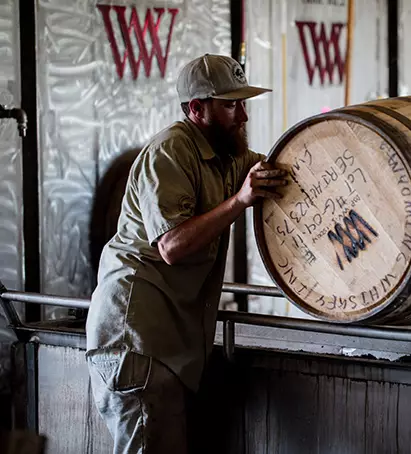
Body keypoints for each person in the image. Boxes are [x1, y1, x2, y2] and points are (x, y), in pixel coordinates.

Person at [85, 53, 287, 453]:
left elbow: (280, 170)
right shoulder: (170, 153)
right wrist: (241, 200)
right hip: (137, 342)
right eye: (231, 105)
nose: (243, 116)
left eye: (243, 103)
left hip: (166, 347)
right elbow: (172, 246)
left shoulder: (227, 155)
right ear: (198, 109)